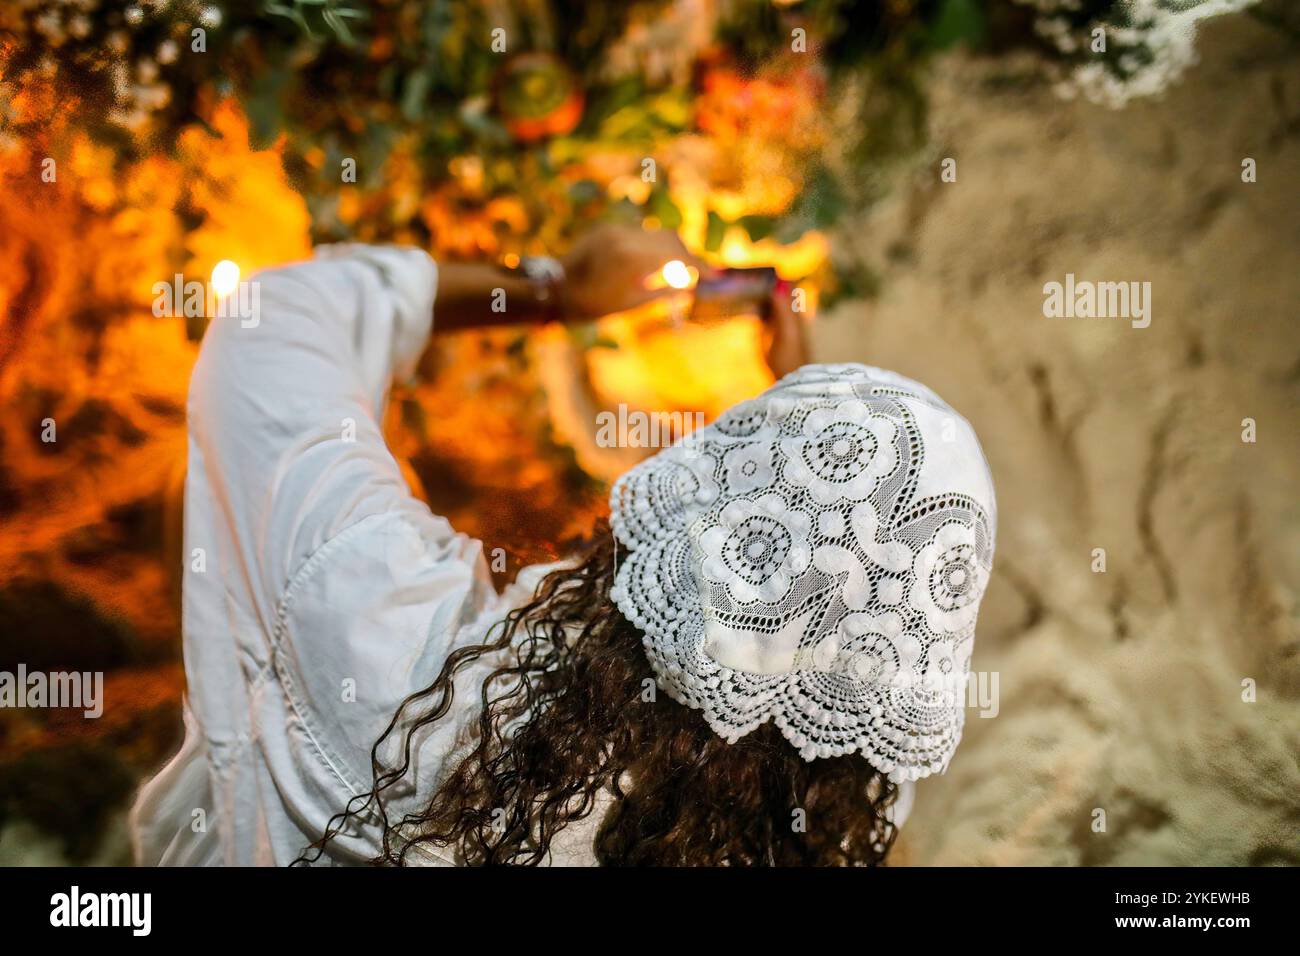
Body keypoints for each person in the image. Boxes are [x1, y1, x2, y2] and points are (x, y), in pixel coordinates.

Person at [130, 225, 996, 866]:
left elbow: (267, 325)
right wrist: (803, 416)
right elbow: (824, 628)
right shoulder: (810, 825)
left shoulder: (388, 644)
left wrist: (553, 292)